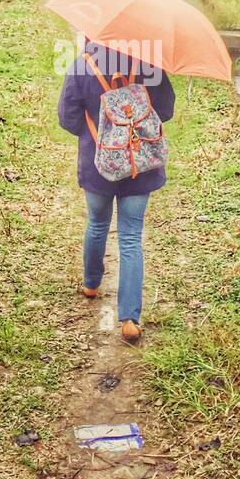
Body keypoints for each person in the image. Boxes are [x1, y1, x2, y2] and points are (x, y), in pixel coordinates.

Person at [57, 39, 175, 342]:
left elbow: (67, 119)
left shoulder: (83, 65)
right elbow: (166, 110)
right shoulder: (149, 65)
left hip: (98, 166)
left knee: (97, 224)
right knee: (131, 236)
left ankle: (91, 284)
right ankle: (130, 319)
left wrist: (98, 131)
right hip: (140, 165)